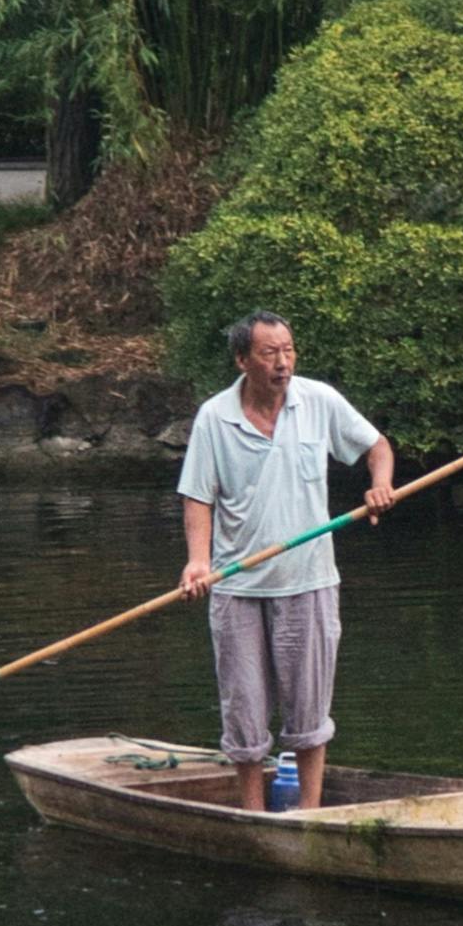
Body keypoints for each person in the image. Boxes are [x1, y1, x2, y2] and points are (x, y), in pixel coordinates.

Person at [175, 311, 397, 810]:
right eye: (269, 353)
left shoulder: (317, 400)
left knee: (309, 710)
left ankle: (311, 817)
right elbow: (198, 497)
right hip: (237, 586)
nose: (283, 363)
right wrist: (197, 562)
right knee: (245, 711)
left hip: (309, 579)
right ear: (242, 360)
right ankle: (253, 816)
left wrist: (380, 484)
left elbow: (376, 446)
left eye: (289, 350)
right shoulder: (215, 416)